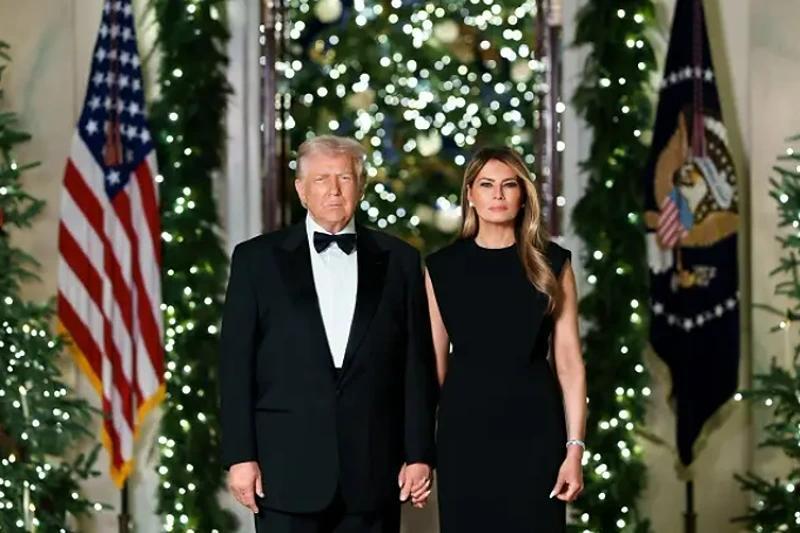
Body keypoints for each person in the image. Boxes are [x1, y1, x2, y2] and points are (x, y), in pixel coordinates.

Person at [219, 135, 438, 533]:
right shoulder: (256, 261)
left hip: (373, 470)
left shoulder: (401, 260)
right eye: (321, 179)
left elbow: (416, 365)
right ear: (301, 190)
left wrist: (419, 453)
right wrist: (240, 457)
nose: (334, 190)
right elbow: (235, 365)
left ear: (362, 185)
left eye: (344, 178)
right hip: (283, 472)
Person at [426, 147, 587, 532]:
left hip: (535, 431)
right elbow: (432, 368)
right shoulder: (441, 268)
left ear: (522, 194)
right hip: (464, 434)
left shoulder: (552, 263)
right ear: (470, 194)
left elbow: (569, 363)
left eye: (508, 185)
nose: (497, 195)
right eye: (486, 185)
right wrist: (418, 451)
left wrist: (574, 449)